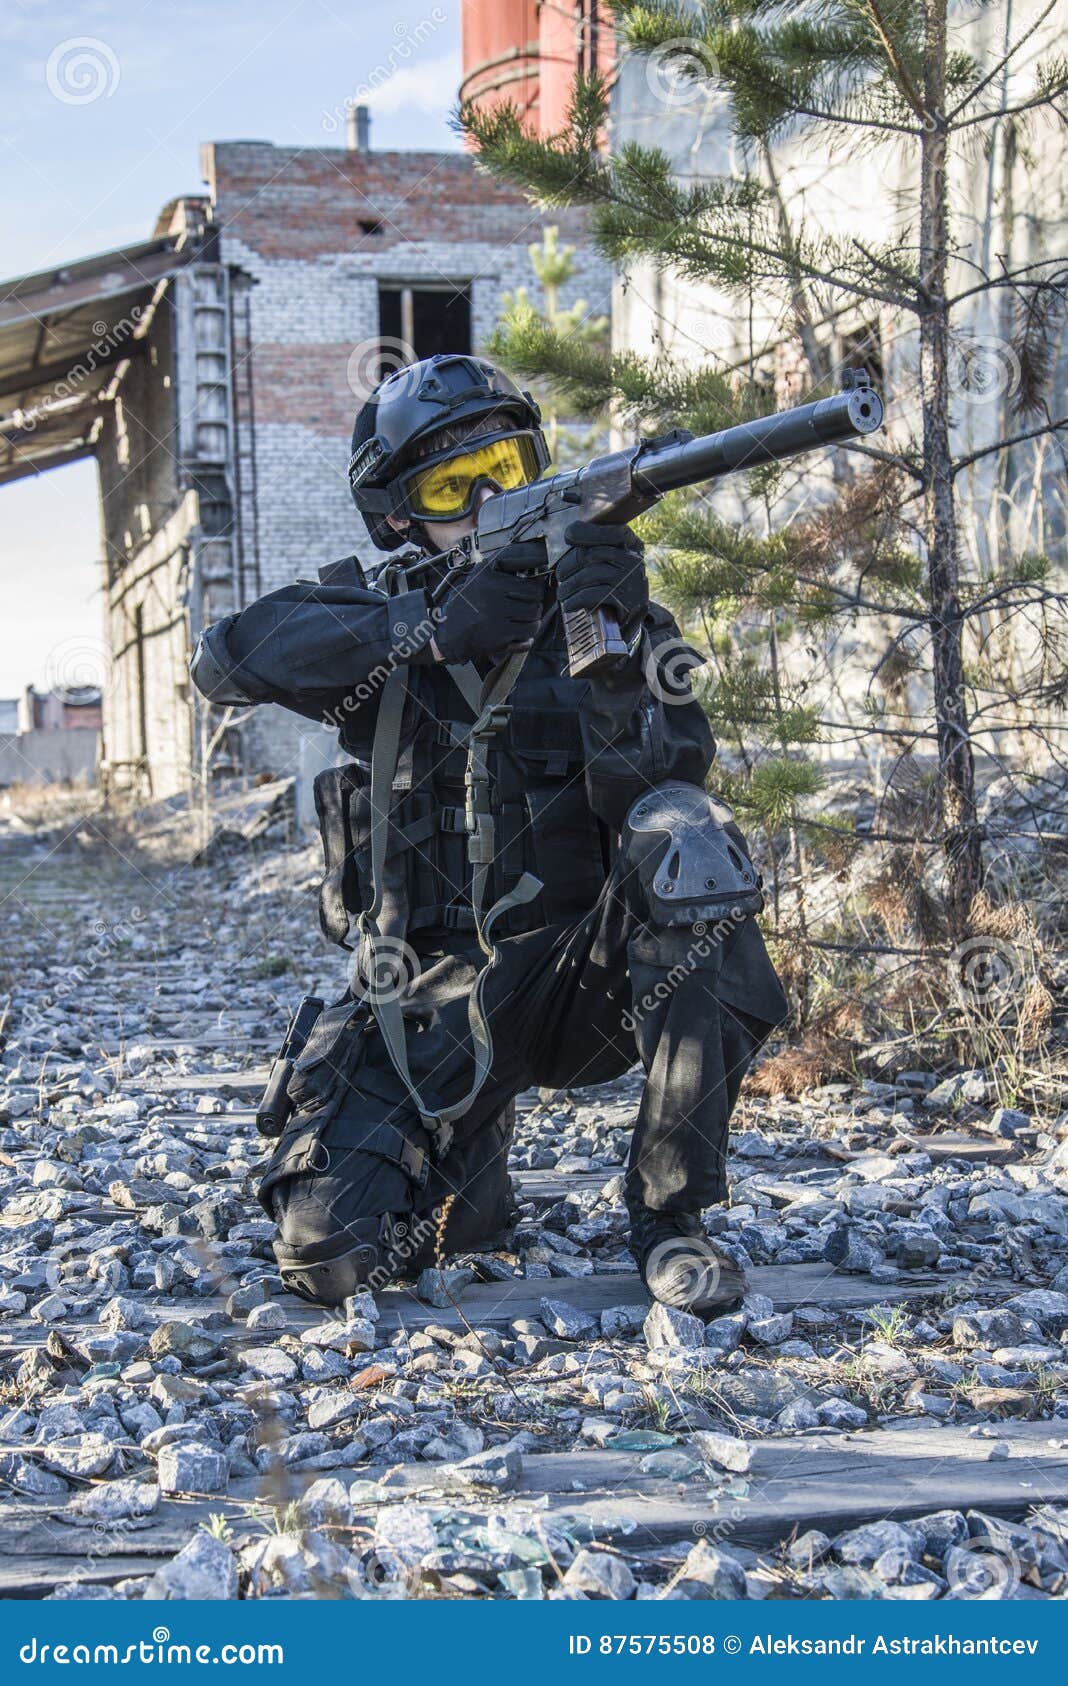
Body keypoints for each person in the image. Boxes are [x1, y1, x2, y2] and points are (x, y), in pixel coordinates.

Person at [190, 352, 787, 1311]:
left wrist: (618, 653)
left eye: (500, 473)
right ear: (396, 514)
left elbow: (662, 797)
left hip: (579, 982)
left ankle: (670, 1217)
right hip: (421, 995)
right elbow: (227, 660)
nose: (479, 500)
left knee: (691, 836)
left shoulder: (605, 614)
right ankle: (472, 1168)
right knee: (329, 1258)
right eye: (447, 485)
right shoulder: (378, 612)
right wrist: (427, 626)